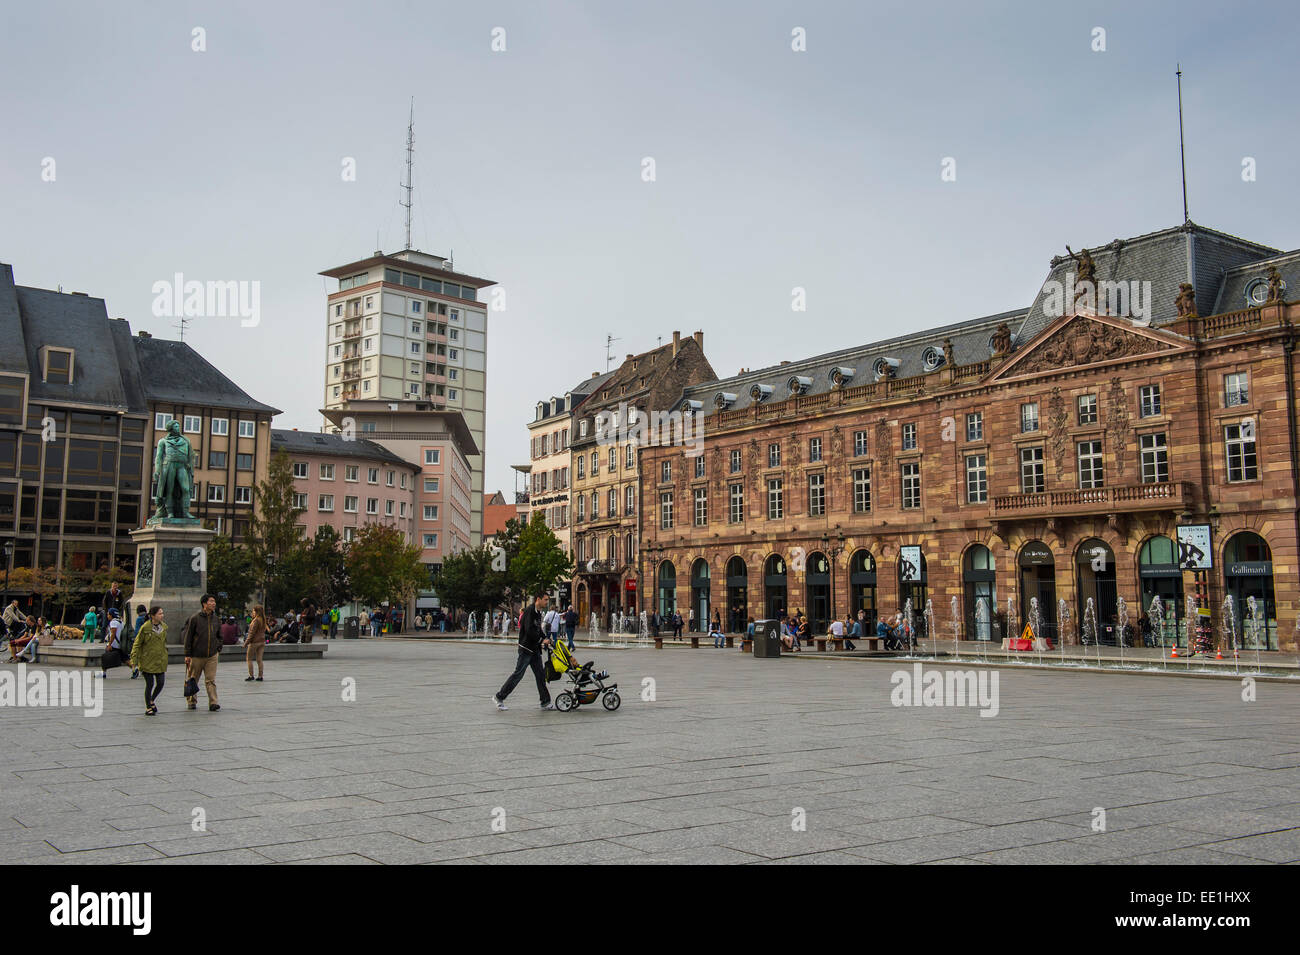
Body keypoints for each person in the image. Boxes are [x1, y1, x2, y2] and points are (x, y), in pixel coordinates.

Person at [492, 593, 554, 711]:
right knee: (518, 674)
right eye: (545, 600)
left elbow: (538, 629)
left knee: (540, 675)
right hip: (526, 649)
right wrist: (542, 640)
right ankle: (499, 697)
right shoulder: (529, 611)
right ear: (538, 599)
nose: (547, 602)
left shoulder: (537, 612)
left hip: (534, 649)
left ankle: (545, 702)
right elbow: (529, 630)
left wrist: (546, 638)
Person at [182, 594, 223, 712]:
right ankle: (191, 701)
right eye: (211, 601)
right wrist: (187, 654)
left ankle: (213, 702)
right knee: (193, 679)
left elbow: (219, 635)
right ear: (204, 604)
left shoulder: (216, 619)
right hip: (197, 655)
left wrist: (219, 646)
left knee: (210, 680)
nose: (214, 603)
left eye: (214, 601)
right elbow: (188, 637)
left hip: (212, 655)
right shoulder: (195, 618)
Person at [130, 606, 169, 715]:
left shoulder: (164, 627)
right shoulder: (145, 627)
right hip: (147, 660)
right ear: (153, 616)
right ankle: (148, 707)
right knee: (150, 684)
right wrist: (134, 659)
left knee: (161, 682)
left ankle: (151, 699)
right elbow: (137, 644)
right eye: (160, 614)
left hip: (160, 660)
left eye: (162, 613)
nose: (162, 615)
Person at [99, 610, 125, 678]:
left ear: (111, 615)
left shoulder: (113, 622)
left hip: (113, 644)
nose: (107, 616)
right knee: (125, 658)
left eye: (108, 614)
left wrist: (109, 644)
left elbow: (113, 633)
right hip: (120, 644)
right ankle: (134, 669)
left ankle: (103, 673)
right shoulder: (121, 622)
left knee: (105, 658)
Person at [245, 604, 268, 682]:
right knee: (259, 660)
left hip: (254, 642)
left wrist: (246, 643)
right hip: (262, 642)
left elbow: (251, 633)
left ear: (256, 611)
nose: (252, 612)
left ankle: (251, 675)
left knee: (249, 659)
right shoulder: (263, 619)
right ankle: (260, 676)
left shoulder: (256, 620)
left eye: (253, 611)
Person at [127, 604, 148, 679]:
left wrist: (134, 638)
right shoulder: (148, 618)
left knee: (135, 655)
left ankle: (134, 670)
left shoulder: (139, 618)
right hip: (146, 640)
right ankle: (143, 670)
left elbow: (137, 630)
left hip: (139, 639)